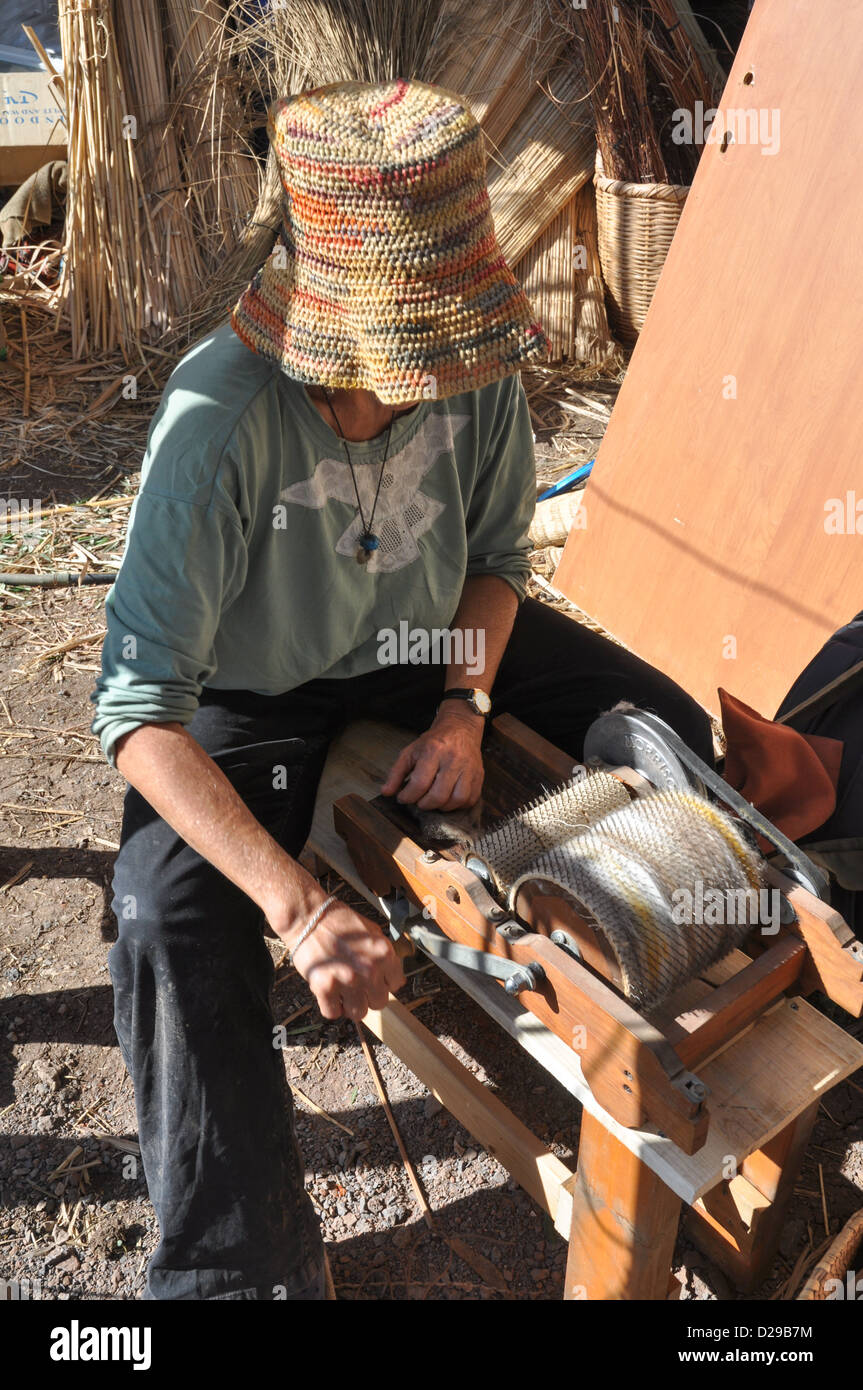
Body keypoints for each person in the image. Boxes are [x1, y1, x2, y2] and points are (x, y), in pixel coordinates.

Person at [91, 78, 714, 1301]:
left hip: (429, 641)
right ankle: (235, 1266)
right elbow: (138, 712)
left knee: (664, 728)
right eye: (411, 345)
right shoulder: (219, 424)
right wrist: (295, 904)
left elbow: (490, 567)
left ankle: (692, 1013)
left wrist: (462, 706)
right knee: (165, 919)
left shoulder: (473, 368)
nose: (442, 368)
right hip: (257, 688)